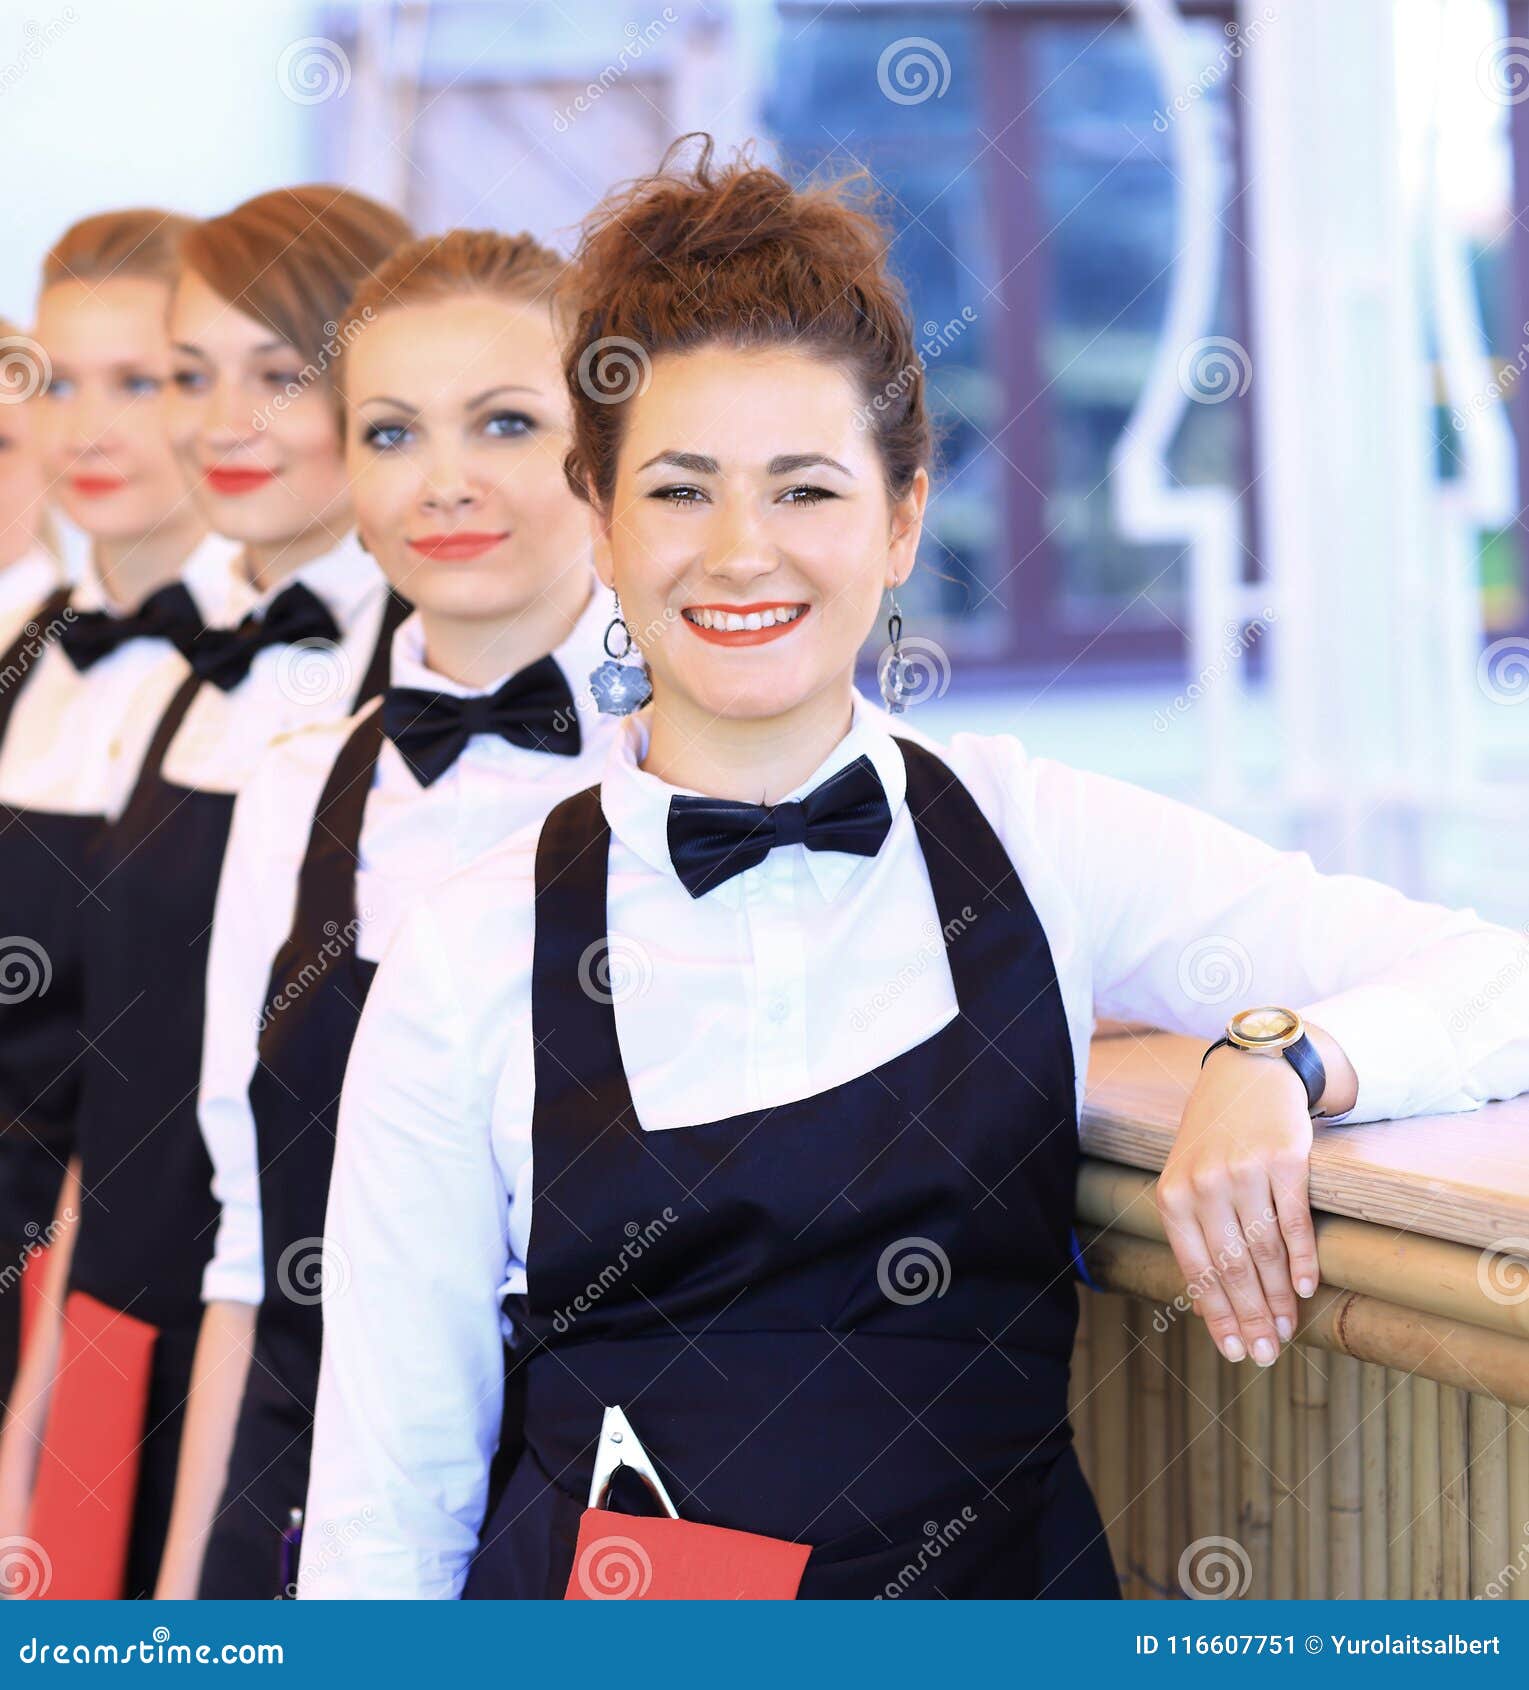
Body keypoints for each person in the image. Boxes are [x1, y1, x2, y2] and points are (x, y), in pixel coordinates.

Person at [299, 136, 1529, 1600]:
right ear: (604, 525)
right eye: (680, 492)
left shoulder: (1033, 834)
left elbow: (1494, 978)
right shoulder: (468, 947)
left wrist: (1279, 1056)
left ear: (899, 521)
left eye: (806, 490)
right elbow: (386, 1505)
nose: (741, 552)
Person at [156, 228, 623, 1599]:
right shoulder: (292, 786)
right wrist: (181, 1602)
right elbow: (245, 1248)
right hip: (301, 1508)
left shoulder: (698, 783)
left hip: (598, 1524)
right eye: (392, 432)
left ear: (600, 458)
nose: (444, 480)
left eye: (505, 422)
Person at [0, 186, 412, 1600]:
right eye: (191, 375)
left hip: (300, 1342)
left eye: (277, 374)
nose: (220, 421)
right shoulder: (198, 660)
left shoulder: (418, 674)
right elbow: (117, 1080)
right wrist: (46, 1398)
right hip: (115, 1305)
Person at [0, 216, 240, 1415]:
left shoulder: (278, 674)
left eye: (139, 383)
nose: (85, 429)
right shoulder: (19, 647)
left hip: (161, 1290)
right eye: (56, 384)